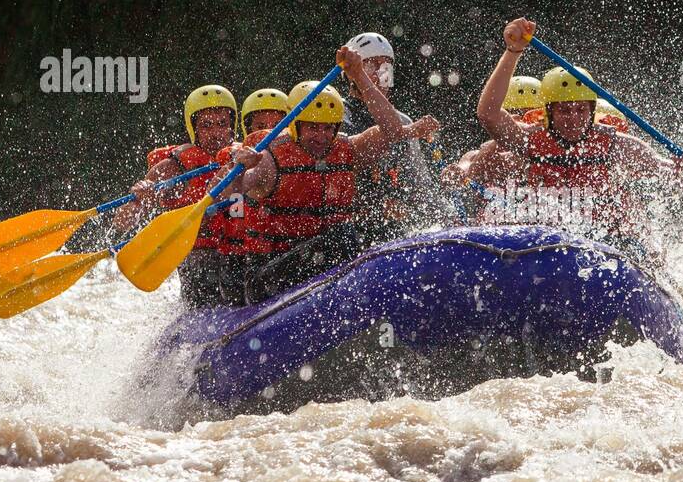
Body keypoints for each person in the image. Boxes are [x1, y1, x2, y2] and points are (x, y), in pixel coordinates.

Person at [474, 17, 683, 259]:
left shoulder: (616, 144)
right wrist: (513, 52)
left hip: (613, 242)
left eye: (580, 110)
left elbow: (675, 177)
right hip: (553, 242)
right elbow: (488, 114)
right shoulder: (530, 140)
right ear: (548, 112)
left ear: (592, 110)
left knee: (649, 254)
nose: (573, 118)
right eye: (564, 110)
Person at [228, 50, 440, 304]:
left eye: (329, 128)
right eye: (313, 128)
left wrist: (359, 75)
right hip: (268, 276)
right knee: (343, 238)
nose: (321, 137)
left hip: (319, 262)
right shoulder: (269, 160)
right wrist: (236, 169)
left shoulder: (347, 149)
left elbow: (392, 131)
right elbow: (231, 193)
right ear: (295, 125)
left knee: (386, 229)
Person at [115, 84, 237, 307]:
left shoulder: (246, 157)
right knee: (204, 266)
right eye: (207, 125)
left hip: (238, 252)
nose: (216, 133)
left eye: (222, 124)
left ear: (232, 126)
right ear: (194, 129)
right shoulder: (173, 167)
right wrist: (142, 196)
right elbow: (122, 222)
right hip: (198, 257)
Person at [340, 31, 453, 244]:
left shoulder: (402, 120)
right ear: (352, 73)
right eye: (372, 66)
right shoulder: (339, 112)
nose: (381, 74)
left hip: (395, 228)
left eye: (386, 67)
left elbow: (420, 187)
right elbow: (355, 153)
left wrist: (448, 216)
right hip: (353, 229)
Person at [214, 87, 291, 303]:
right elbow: (222, 196)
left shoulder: (297, 158)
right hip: (237, 258)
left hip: (279, 253)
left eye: (276, 125)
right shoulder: (236, 160)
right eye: (260, 126)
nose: (268, 132)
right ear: (247, 130)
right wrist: (237, 171)